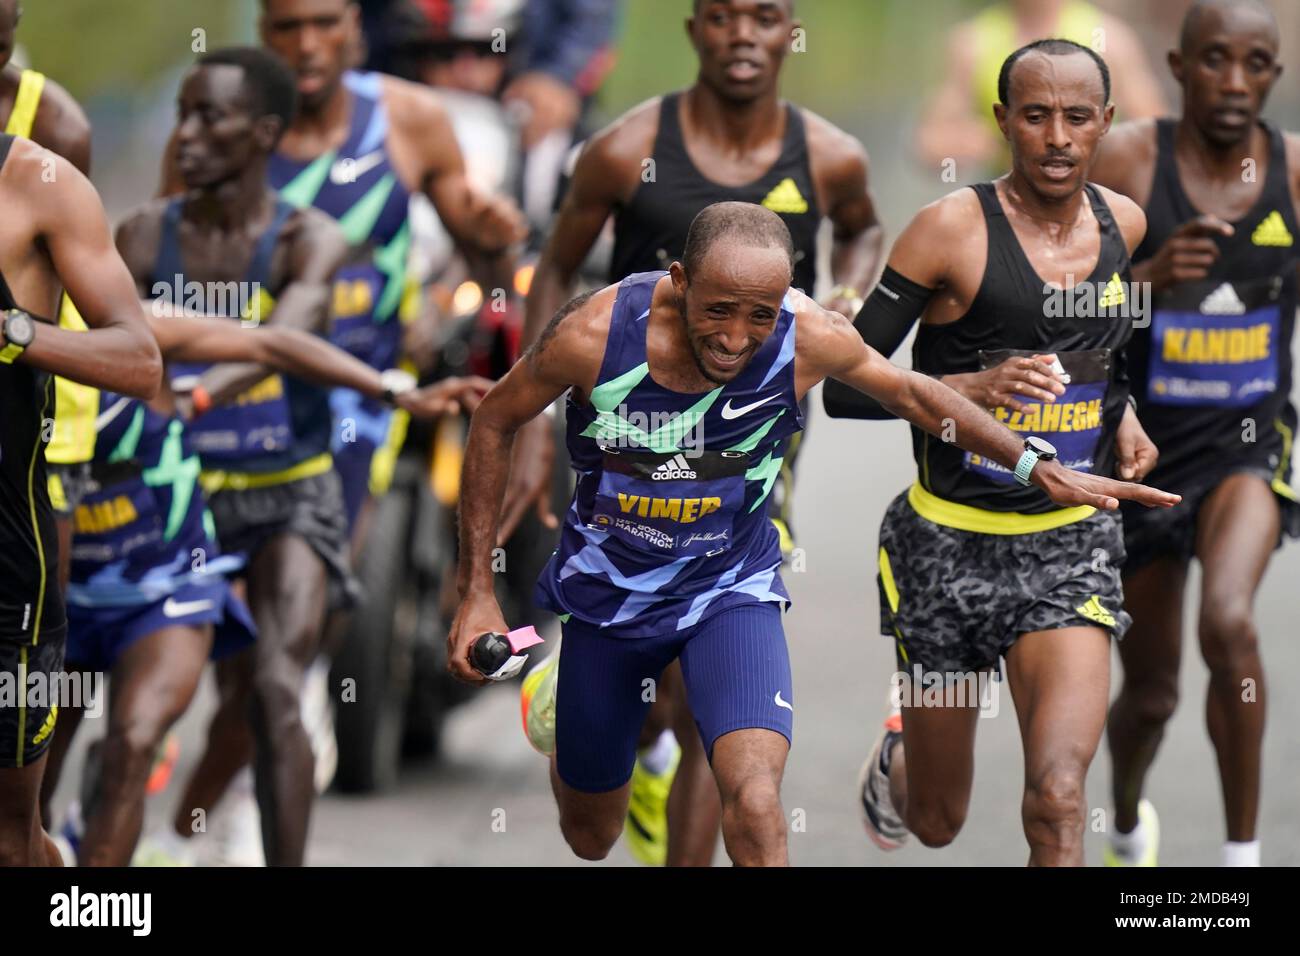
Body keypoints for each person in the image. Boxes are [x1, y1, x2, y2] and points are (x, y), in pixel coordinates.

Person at [449, 199, 1179, 868]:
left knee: (758, 799)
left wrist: (1033, 463)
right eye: (719, 310)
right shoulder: (596, 335)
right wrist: (477, 591)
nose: (737, 338)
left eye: (759, 315)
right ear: (678, 282)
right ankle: (556, 693)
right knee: (591, 836)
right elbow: (494, 419)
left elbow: (909, 392)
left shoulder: (808, 336)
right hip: (608, 596)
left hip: (728, 589)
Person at [513, 0, 883, 866]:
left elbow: (864, 229)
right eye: (722, 17)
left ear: (789, 29)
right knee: (646, 681)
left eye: (764, 17)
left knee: (704, 683)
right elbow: (557, 266)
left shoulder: (830, 155)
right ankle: (608, 726)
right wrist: (534, 418)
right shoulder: (626, 151)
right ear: (693, 30)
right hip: (634, 433)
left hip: (756, 443)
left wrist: (852, 300)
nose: (742, 35)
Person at [827, 39, 1166, 865]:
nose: (1057, 137)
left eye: (1077, 118)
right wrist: (976, 389)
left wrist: (1122, 414)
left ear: (1105, 125)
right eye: (1037, 116)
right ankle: (901, 754)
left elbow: (1104, 349)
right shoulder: (947, 231)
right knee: (937, 819)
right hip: (944, 551)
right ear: (1002, 121)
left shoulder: (1125, 222)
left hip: (1069, 548)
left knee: (1057, 800)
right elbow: (844, 387)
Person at [38, 309, 486, 867]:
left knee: (134, 741)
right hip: (57, 602)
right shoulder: (19, 360)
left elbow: (275, 343)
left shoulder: (127, 332)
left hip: (164, 591)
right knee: (30, 798)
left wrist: (393, 390)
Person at [119, 45, 356, 867]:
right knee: (196, 702)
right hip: (174, 500)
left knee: (275, 689)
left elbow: (284, 339)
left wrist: (199, 390)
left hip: (288, 493)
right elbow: (103, 349)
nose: (183, 136)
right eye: (181, 114)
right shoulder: (145, 238)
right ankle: (162, 839)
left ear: (262, 134)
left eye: (207, 117)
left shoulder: (309, 237)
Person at [1089, 0, 1299, 868]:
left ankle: (1241, 862)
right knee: (1153, 693)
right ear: (1178, 69)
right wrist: (1147, 280)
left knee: (1230, 620)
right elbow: (1061, 307)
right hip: (1139, 450)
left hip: (1246, 446)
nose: (1235, 82)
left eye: (1255, 65)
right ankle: (1130, 823)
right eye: (1215, 60)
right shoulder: (1132, 158)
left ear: (1275, 76)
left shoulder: (1293, 171)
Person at [0, 127, 163, 865]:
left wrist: (13, 331)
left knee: (8, 840)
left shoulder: (41, 184)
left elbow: (139, 359)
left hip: (10, 566)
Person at [0, 0, 99, 591]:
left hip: (43, 403)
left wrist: (15, 334)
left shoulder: (57, 127)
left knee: (37, 588)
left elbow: (73, 286)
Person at [915, 0, 1167, 177]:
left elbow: (1157, 140)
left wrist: (1091, 146)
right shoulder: (973, 42)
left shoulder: (1109, 38)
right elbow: (930, 146)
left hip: (1092, 205)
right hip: (1007, 211)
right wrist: (968, 144)